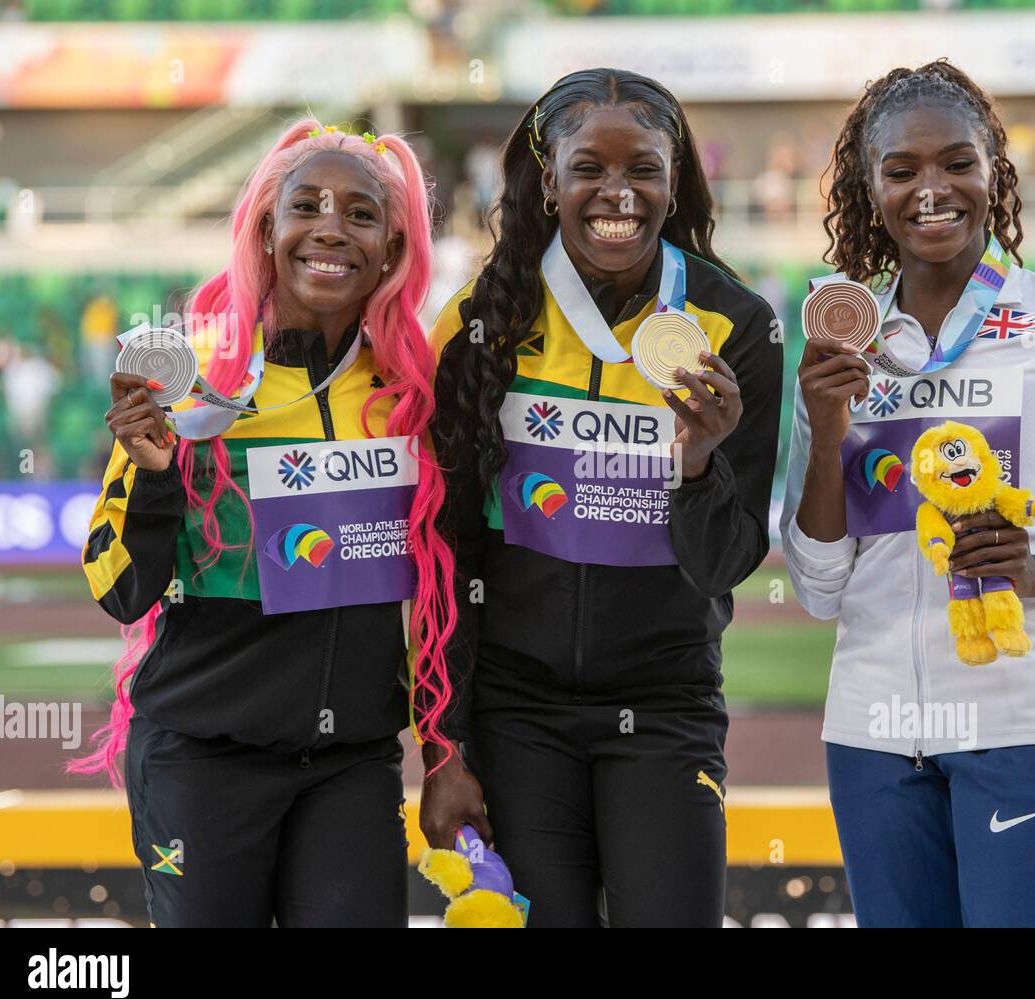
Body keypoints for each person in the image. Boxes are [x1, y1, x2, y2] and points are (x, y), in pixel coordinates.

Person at [780, 60, 1035, 928]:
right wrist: (823, 429)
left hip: (1026, 729)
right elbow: (817, 588)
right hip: (872, 738)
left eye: (957, 162)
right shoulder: (837, 348)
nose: (933, 189)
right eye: (902, 170)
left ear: (995, 169)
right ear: (869, 187)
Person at [419, 68, 782, 927]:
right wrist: (444, 743)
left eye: (643, 169)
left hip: (665, 706)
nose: (617, 193)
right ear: (548, 180)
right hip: (516, 714)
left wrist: (697, 462)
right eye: (589, 168)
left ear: (674, 177)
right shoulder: (479, 322)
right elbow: (447, 551)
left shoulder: (736, 326)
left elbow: (728, 562)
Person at [71, 119, 455, 928]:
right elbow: (119, 589)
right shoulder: (191, 382)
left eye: (359, 213)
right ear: (266, 231)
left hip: (350, 761)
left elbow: (447, 594)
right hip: (203, 758)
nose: (329, 228)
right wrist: (153, 476)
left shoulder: (414, 399)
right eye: (305, 205)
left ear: (391, 248)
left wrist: (448, 750)